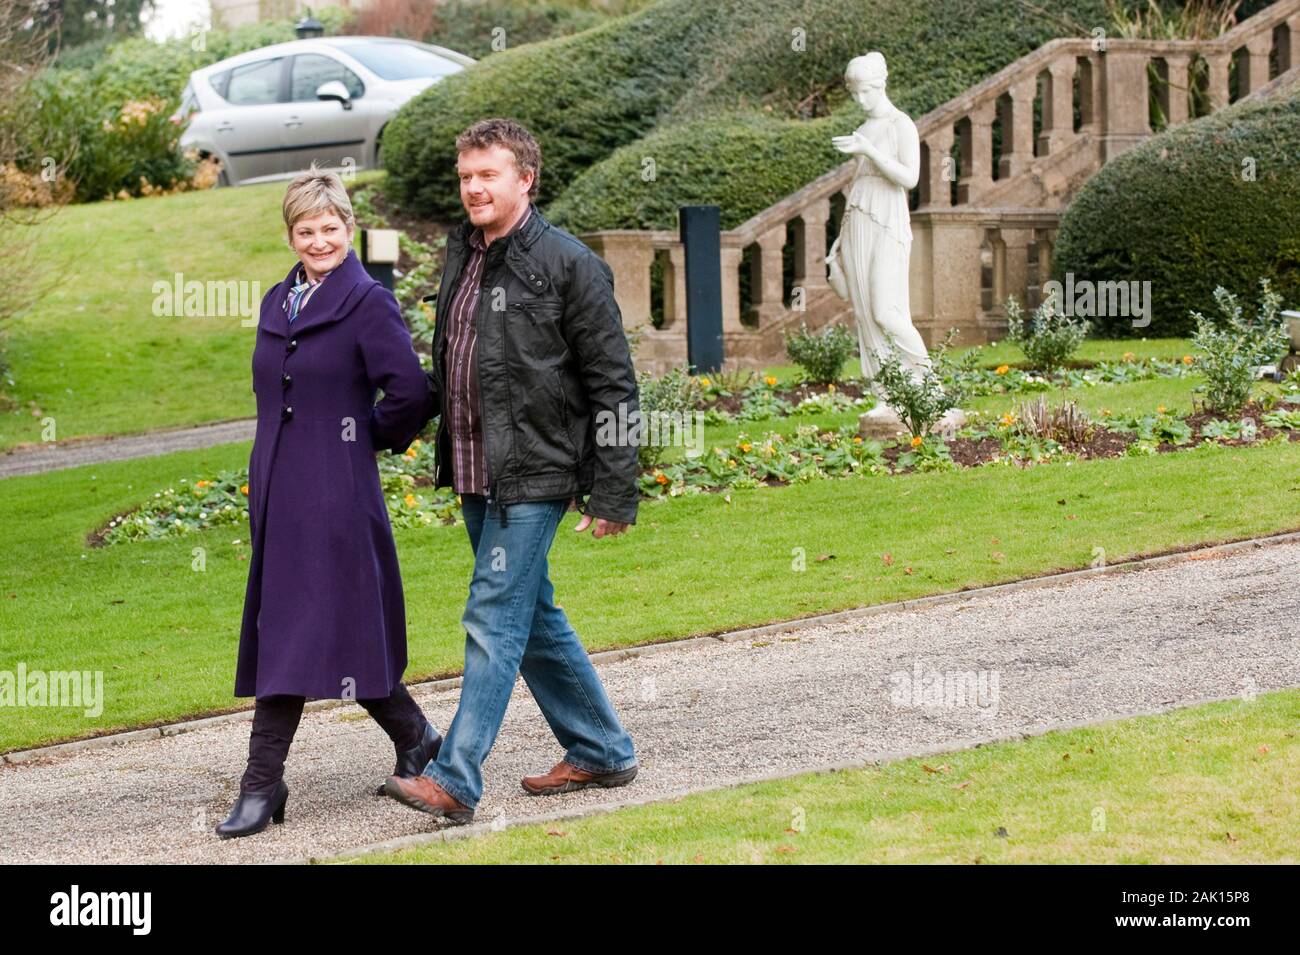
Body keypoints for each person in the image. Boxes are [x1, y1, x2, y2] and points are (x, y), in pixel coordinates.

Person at [385, 119, 639, 825]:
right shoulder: (463, 253)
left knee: (493, 616)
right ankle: (602, 745)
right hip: (473, 470)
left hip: (535, 472)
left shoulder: (568, 265)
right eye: (466, 176)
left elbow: (615, 384)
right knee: (533, 617)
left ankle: (455, 777)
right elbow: (458, 360)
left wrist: (614, 486)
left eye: (487, 174)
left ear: (526, 178)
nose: (473, 187)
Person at [217, 167, 441, 839]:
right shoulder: (277, 300)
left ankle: (261, 782)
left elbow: (411, 392)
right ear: (292, 234)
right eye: (305, 230)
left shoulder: (367, 301)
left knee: (285, 628)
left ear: (350, 228)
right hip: (279, 494)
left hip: (336, 496)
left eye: (331, 227)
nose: (319, 240)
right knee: (338, 625)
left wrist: (359, 442)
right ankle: (419, 738)